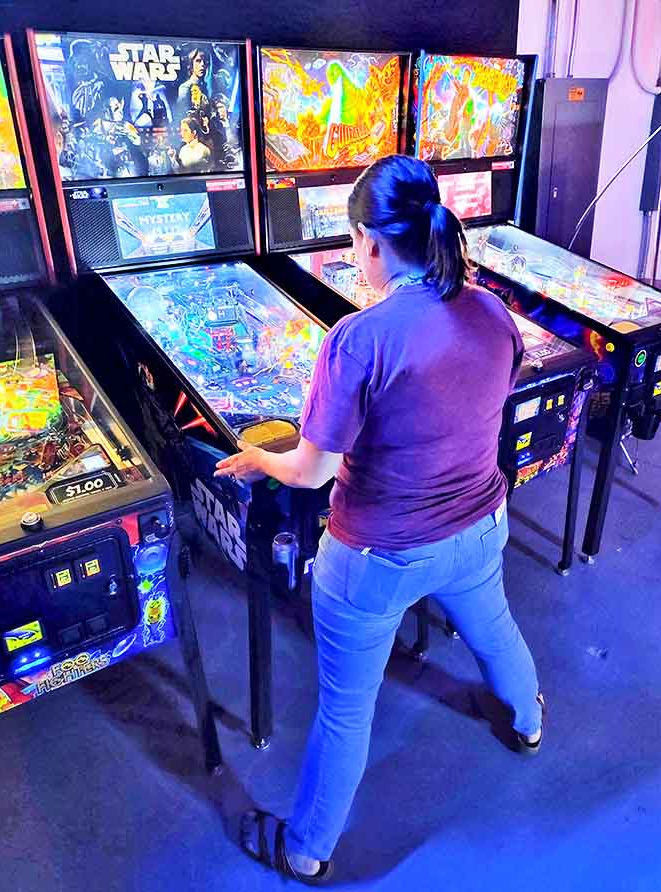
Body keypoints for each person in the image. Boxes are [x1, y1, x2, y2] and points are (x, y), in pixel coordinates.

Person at [215, 155, 544, 883]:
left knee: (344, 710)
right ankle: (527, 722)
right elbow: (485, 390)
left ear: (368, 242)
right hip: (479, 528)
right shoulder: (491, 310)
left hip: (375, 557)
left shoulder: (357, 340)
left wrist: (255, 455)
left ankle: (305, 851)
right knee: (495, 629)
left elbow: (311, 471)